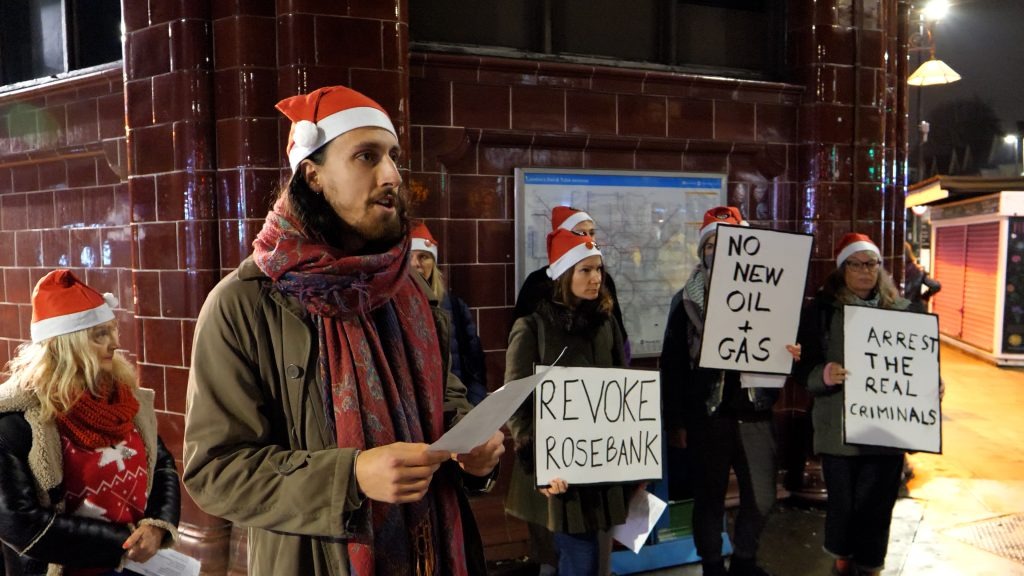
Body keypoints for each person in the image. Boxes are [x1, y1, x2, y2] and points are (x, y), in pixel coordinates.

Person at [182, 85, 504, 576]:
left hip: (433, 552)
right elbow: (216, 472)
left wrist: (473, 449)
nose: (392, 175)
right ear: (312, 174)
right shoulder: (243, 304)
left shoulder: (407, 287)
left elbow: (443, 397)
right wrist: (350, 477)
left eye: (392, 156)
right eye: (366, 157)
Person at [0, 270, 180, 576]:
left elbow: (161, 462)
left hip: (136, 562)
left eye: (113, 330)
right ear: (67, 344)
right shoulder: (16, 421)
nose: (115, 343)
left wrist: (157, 527)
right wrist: (125, 544)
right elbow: (19, 523)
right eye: (100, 335)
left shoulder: (124, 398)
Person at [659, 206, 799, 576]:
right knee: (708, 499)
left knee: (763, 496)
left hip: (755, 411)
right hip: (708, 417)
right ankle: (711, 564)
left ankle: (744, 559)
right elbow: (671, 366)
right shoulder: (685, 302)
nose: (718, 251)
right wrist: (675, 421)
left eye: (728, 243)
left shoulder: (771, 295)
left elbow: (790, 347)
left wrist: (793, 353)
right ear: (702, 252)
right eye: (710, 245)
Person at [504, 228, 632, 576]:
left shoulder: (605, 325)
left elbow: (621, 389)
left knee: (589, 558)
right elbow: (517, 400)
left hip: (599, 467)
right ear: (564, 274)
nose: (596, 279)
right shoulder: (532, 328)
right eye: (585, 270)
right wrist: (539, 460)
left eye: (599, 270)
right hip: (559, 472)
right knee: (579, 558)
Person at [794, 233, 910, 576]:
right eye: (857, 264)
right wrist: (823, 374)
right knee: (845, 505)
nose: (866, 271)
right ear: (843, 270)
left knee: (877, 504)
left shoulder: (902, 311)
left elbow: (917, 363)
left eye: (872, 264)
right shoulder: (822, 312)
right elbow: (804, 368)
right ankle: (843, 558)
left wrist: (933, 387)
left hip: (888, 428)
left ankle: (871, 565)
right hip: (839, 430)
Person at [513, 206, 629, 359]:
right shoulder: (536, 284)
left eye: (592, 233)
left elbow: (619, 345)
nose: (588, 238)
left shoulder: (605, 289)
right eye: (580, 233)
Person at [410, 221, 488, 405]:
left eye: (423, 257)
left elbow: (475, 363)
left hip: (458, 409)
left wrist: (472, 405)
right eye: (409, 257)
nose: (416, 264)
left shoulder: (455, 307)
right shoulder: (392, 309)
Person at [903, 241, 941, 313]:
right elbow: (936, 286)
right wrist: (925, 297)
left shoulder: (893, 271)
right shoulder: (918, 270)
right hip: (917, 309)